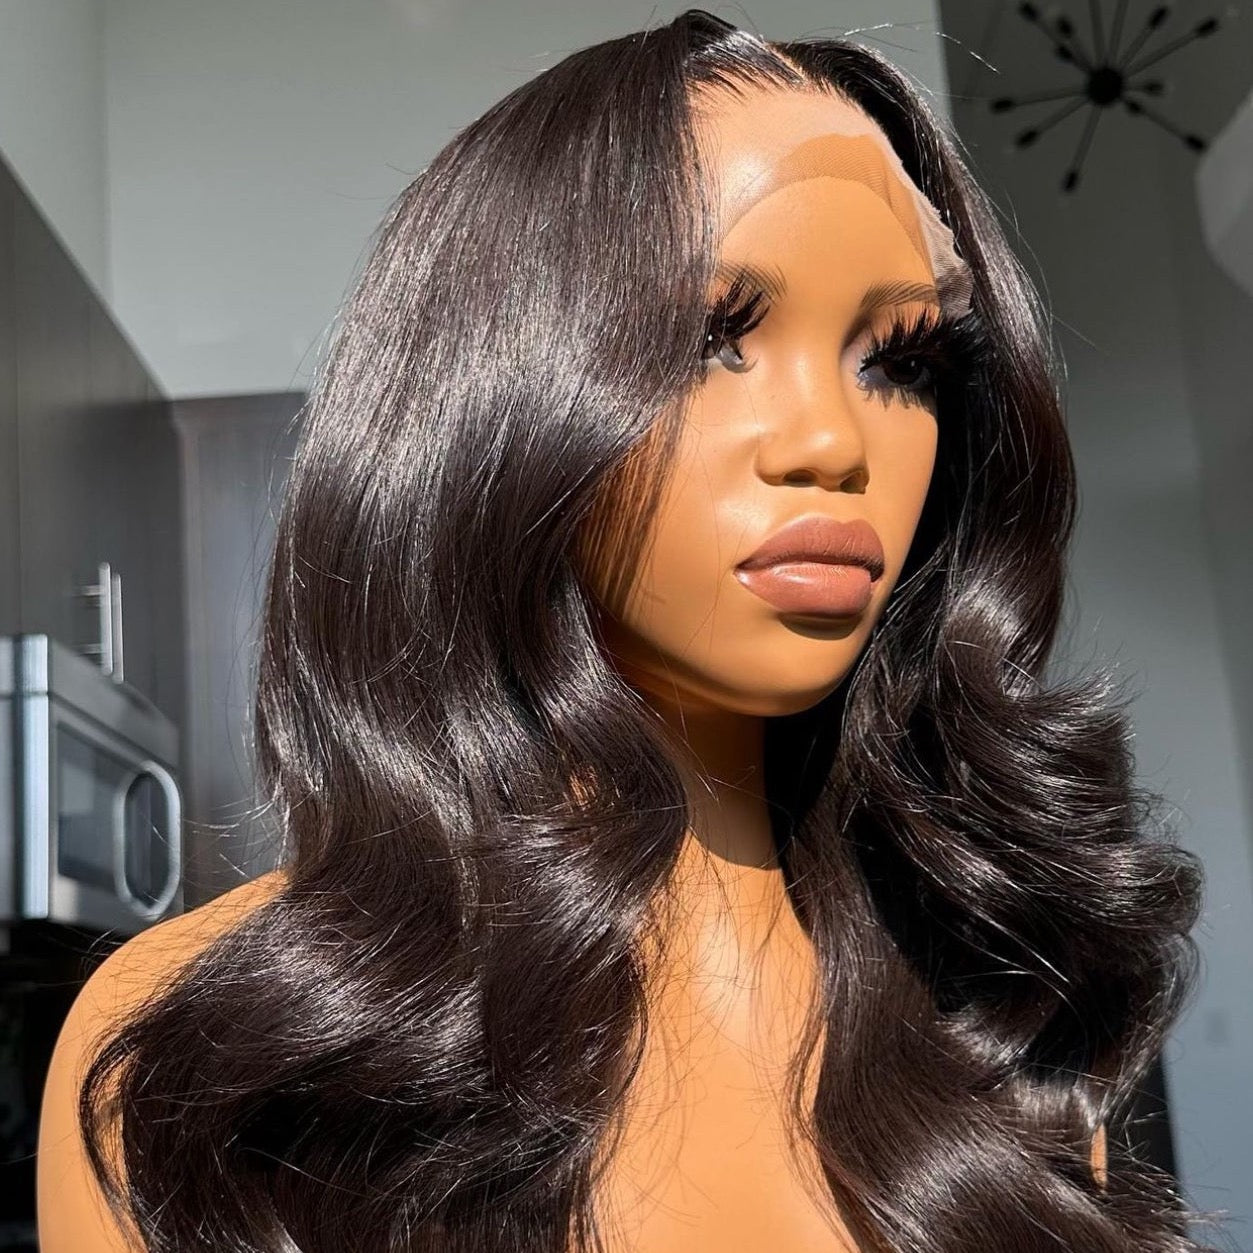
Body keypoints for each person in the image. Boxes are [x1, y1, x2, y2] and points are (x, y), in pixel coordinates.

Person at [37, 9, 1209, 1252]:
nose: (831, 441)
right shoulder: (193, 1071)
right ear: (490, 400)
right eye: (714, 338)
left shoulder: (996, 1030)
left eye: (899, 361)